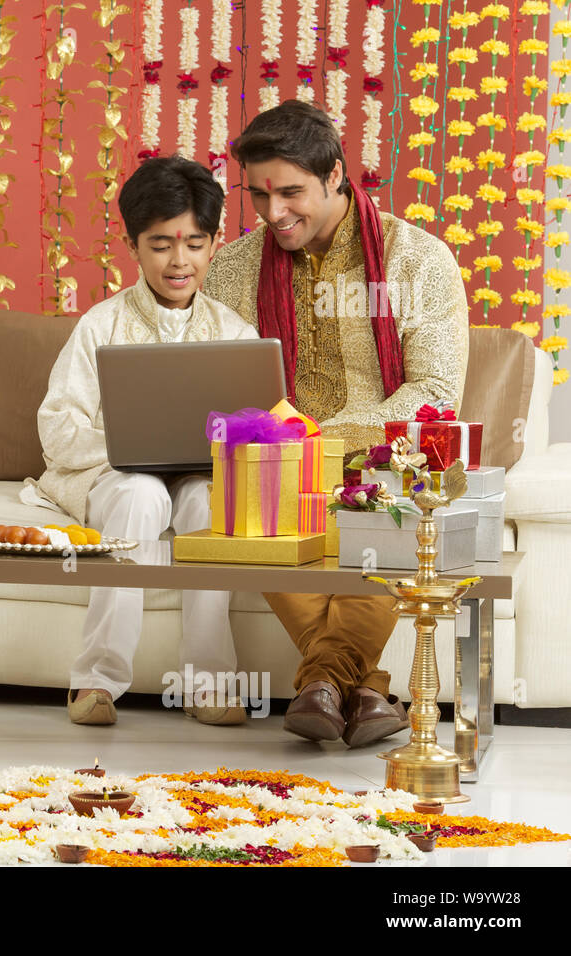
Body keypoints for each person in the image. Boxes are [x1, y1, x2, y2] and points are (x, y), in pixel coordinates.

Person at [202, 99, 469, 747]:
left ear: (338, 176)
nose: (274, 214)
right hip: (280, 471)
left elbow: (435, 396)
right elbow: (218, 386)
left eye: (292, 192)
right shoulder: (237, 268)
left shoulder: (417, 261)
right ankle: (368, 691)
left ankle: (324, 681)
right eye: (260, 196)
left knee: (390, 507)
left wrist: (328, 443)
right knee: (248, 505)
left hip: (387, 465)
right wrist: (272, 446)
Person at [23, 155, 257, 727]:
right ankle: (95, 683)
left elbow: (256, 432)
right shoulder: (100, 325)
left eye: (195, 243)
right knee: (141, 496)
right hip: (115, 478)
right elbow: (57, 428)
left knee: (208, 501)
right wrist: (130, 444)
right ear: (133, 246)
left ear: (213, 243)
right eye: (161, 245)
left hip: (202, 475)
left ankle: (208, 684)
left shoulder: (234, 332)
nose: (180, 261)